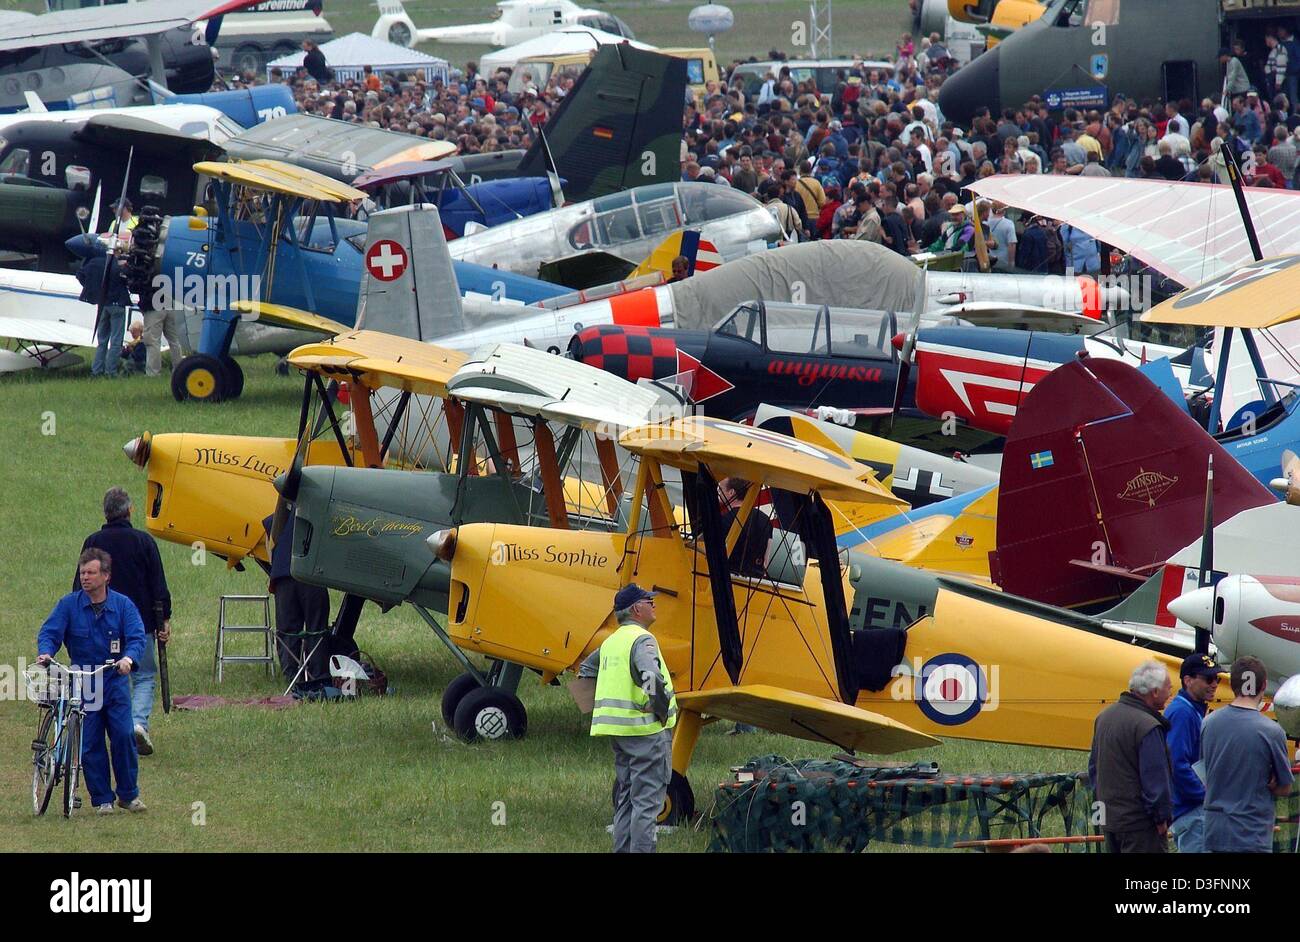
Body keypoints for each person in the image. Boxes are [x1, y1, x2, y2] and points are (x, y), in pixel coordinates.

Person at [37, 549, 147, 814]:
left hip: (113, 680)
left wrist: (128, 660)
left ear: (106, 576)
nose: (85, 577)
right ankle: (102, 799)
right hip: (85, 683)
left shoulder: (123, 606)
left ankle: (128, 795)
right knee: (90, 743)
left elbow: (136, 638)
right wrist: (46, 652)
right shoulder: (68, 605)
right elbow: (50, 632)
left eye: (91, 572)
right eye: (82, 572)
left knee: (123, 736)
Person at [581, 584, 677, 853]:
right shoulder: (642, 639)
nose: (654, 604)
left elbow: (586, 669)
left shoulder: (611, 641)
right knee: (647, 804)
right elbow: (650, 675)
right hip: (645, 733)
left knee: (626, 800)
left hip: (619, 733)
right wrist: (658, 708)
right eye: (650, 601)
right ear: (637, 609)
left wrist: (592, 708)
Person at [78, 487, 172, 756]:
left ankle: (100, 729)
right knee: (142, 676)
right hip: (139, 624)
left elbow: (79, 585)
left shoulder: (93, 543)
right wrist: (164, 618)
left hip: (98, 624)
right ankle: (137, 723)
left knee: (100, 675)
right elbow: (158, 585)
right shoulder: (144, 542)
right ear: (130, 510)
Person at [1201, 655, 1294, 853]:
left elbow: (1204, 770)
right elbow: (1285, 787)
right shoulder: (1272, 731)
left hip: (1215, 830)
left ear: (1233, 685)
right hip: (1252, 833)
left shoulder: (1208, 723)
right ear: (1263, 686)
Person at [1088, 660, 1173, 853]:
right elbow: (1155, 778)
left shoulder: (1104, 717)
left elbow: (1094, 768)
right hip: (1140, 826)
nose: (1171, 694)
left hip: (1111, 821)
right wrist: (1161, 817)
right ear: (1155, 692)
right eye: (1169, 688)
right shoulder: (1147, 726)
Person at [262, 513, 331, 692]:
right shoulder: (321, 516)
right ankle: (318, 676)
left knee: (287, 632)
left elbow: (269, 553)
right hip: (311, 578)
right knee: (317, 629)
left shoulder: (274, 520)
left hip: (283, 580)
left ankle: (292, 676)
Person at [1164, 653, 1220, 854]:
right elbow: (1176, 763)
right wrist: (1204, 795)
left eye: (1217, 679)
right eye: (1208, 679)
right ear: (1188, 680)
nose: (1214, 684)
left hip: (1192, 809)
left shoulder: (1190, 710)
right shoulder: (1182, 713)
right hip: (1192, 810)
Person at [74, 234, 131, 378]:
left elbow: (80, 275)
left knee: (102, 340)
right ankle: (110, 372)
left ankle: (96, 370)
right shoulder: (118, 266)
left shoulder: (94, 263)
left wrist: (93, 290)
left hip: (102, 304)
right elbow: (128, 280)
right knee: (116, 341)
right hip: (117, 303)